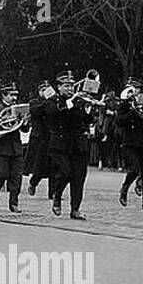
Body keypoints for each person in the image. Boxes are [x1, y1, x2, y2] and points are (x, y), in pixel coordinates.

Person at [37, 71, 94, 220]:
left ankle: (75, 209)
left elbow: (87, 120)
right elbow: (53, 113)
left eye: (71, 85)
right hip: (60, 145)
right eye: (66, 86)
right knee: (65, 172)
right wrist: (70, 102)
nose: (70, 89)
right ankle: (57, 194)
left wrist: (88, 108)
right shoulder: (53, 100)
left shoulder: (78, 101)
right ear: (59, 87)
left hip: (78, 145)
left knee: (79, 178)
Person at [0, 82, 29, 213]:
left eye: (15, 95)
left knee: (17, 177)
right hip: (2, 148)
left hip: (16, 148)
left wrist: (25, 122)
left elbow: (24, 129)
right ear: (4, 96)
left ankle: (14, 203)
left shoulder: (18, 110)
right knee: (3, 173)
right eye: (11, 95)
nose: (14, 98)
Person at [116, 82, 143, 209]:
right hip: (131, 142)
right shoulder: (125, 104)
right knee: (134, 170)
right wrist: (133, 112)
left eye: (137, 89)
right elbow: (119, 121)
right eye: (132, 89)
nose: (135, 91)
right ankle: (125, 188)